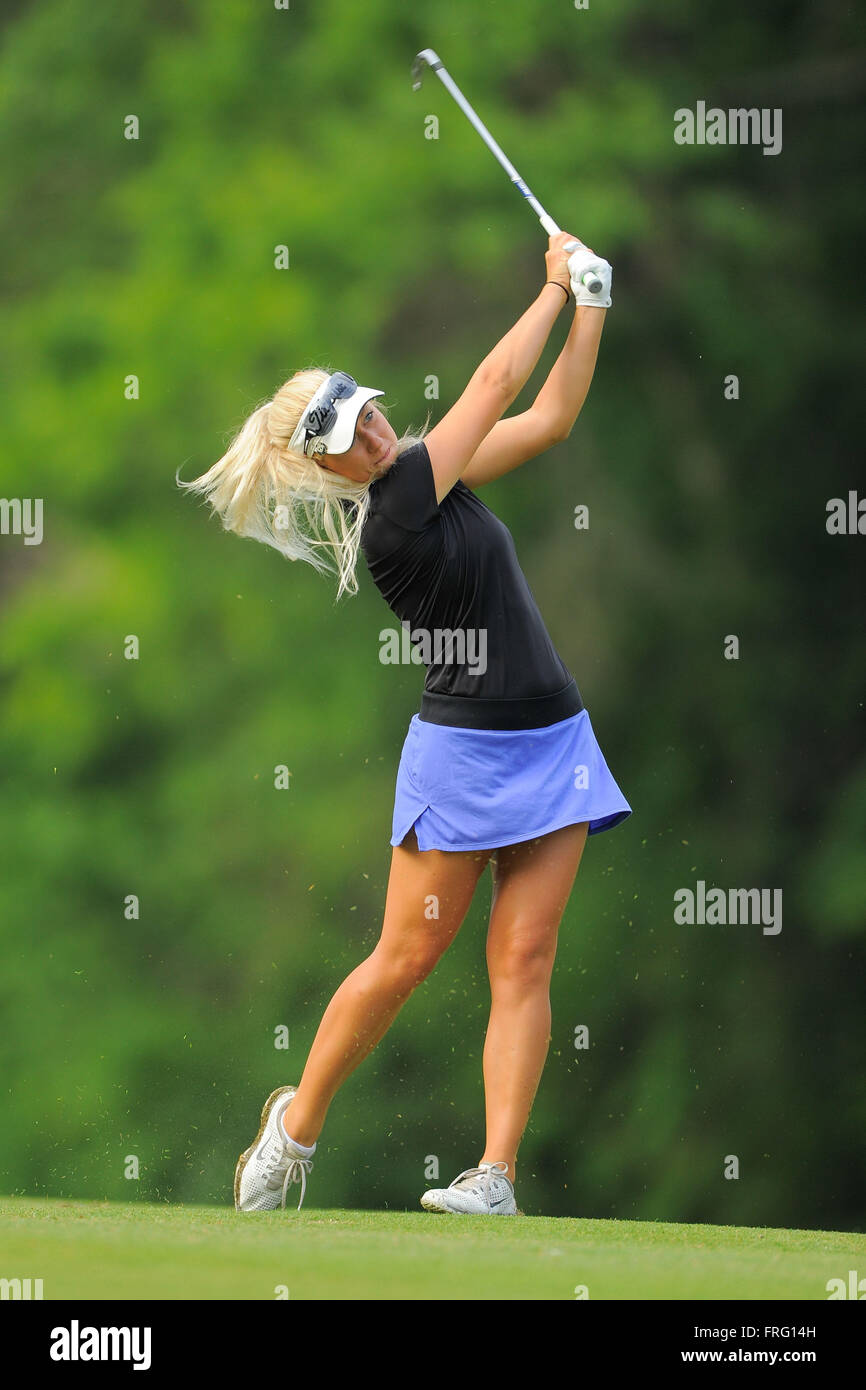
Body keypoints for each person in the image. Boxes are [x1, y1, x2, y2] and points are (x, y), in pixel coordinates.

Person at [180, 232, 631, 1217]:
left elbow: (548, 415)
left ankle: (495, 1176)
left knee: (522, 961)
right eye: (345, 431)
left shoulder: (431, 468)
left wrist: (590, 302)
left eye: (367, 410)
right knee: (405, 960)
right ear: (325, 461)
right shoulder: (393, 515)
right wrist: (551, 288)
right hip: (462, 754)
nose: (371, 431)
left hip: (553, 742)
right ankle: (295, 1129)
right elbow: (491, 378)